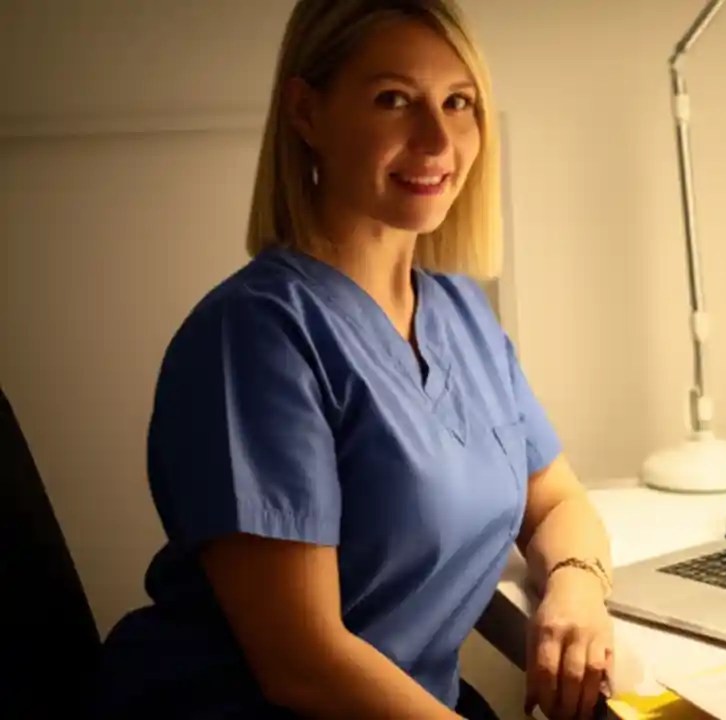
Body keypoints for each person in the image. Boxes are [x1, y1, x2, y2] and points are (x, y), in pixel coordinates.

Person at [93, 1, 615, 718]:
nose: (438, 139)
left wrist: (577, 589)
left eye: (458, 102)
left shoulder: (460, 312)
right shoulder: (257, 335)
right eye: (394, 99)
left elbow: (557, 500)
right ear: (307, 113)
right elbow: (305, 665)